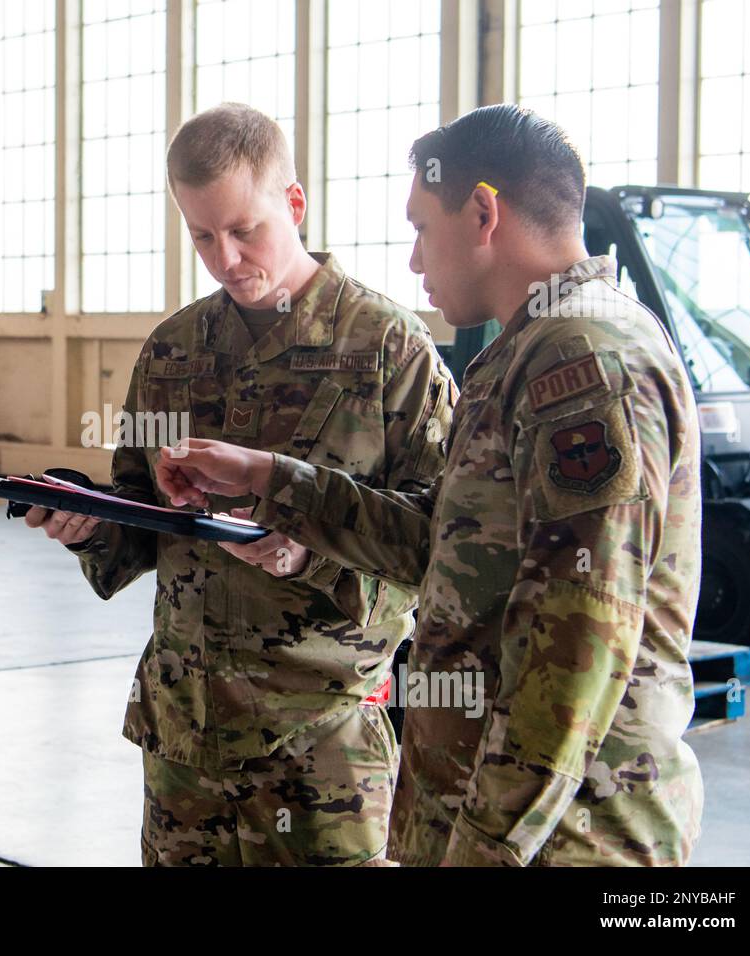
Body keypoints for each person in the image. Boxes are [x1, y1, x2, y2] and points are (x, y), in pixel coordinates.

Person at [154, 104, 704, 866]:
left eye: (420, 228)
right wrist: (268, 477)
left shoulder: (583, 363)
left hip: (561, 837)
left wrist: (482, 849)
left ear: (482, 212)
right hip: (494, 817)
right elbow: (441, 545)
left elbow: (579, 644)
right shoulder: (530, 351)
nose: (414, 261)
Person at [23, 103, 456, 865]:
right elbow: (141, 523)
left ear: (293, 204)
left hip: (320, 747)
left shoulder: (390, 351)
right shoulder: (172, 353)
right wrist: (86, 520)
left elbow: (437, 552)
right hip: (185, 743)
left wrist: (306, 554)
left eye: (244, 229)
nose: (225, 257)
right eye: (201, 235)